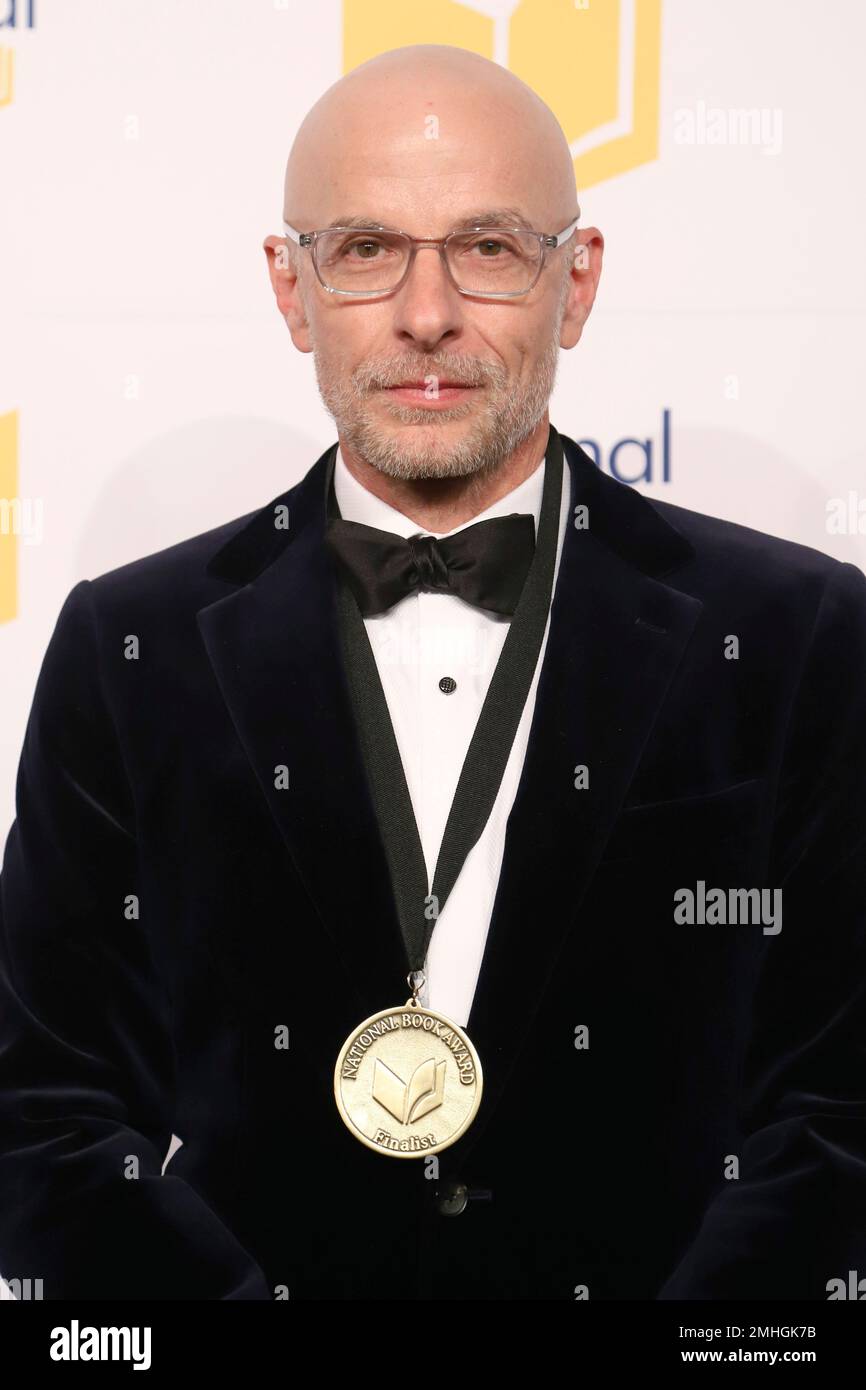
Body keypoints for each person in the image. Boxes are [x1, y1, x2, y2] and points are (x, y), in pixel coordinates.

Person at [1, 42, 864, 1302]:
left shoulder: (801, 636)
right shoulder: (127, 646)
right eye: (363, 249)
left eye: (488, 246)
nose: (425, 314)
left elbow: (836, 1105)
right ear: (291, 290)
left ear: (574, 283)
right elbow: (47, 1106)